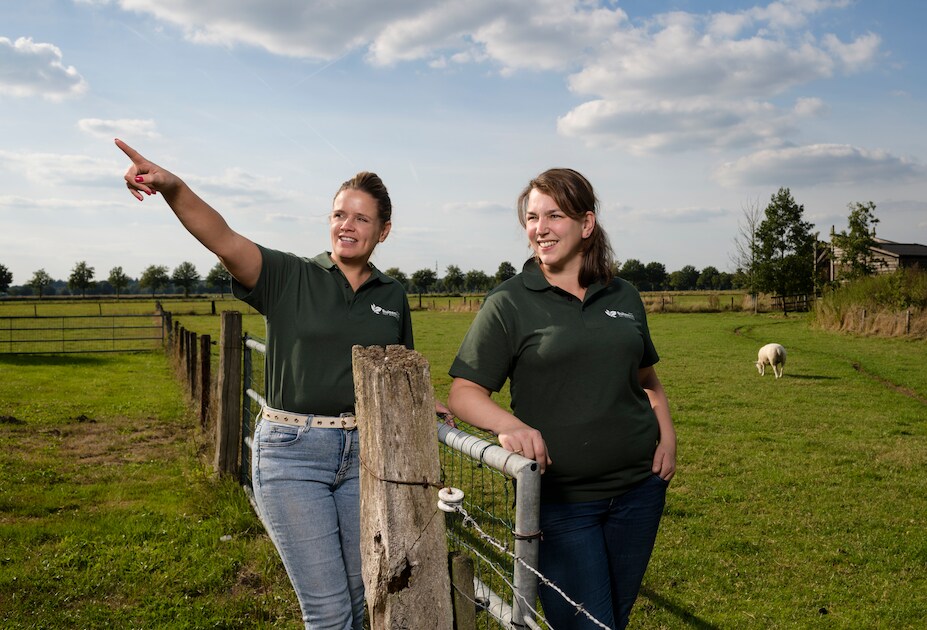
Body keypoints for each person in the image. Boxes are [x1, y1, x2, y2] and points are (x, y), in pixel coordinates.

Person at [116, 139, 445, 630]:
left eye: (360, 218)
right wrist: (173, 187)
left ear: (384, 230)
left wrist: (423, 404)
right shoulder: (290, 275)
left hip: (365, 456)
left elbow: (398, 368)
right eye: (338, 214)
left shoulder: (393, 295)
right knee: (330, 614)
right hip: (294, 453)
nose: (346, 225)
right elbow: (222, 238)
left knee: (363, 600)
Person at [447, 167, 676, 629]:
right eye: (532, 217)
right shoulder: (509, 302)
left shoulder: (624, 295)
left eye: (554, 215)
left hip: (639, 494)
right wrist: (508, 425)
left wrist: (667, 435)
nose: (540, 228)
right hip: (562, 503)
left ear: (586, 225)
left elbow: (647, 379)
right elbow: (463, 393)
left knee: (614, 617)